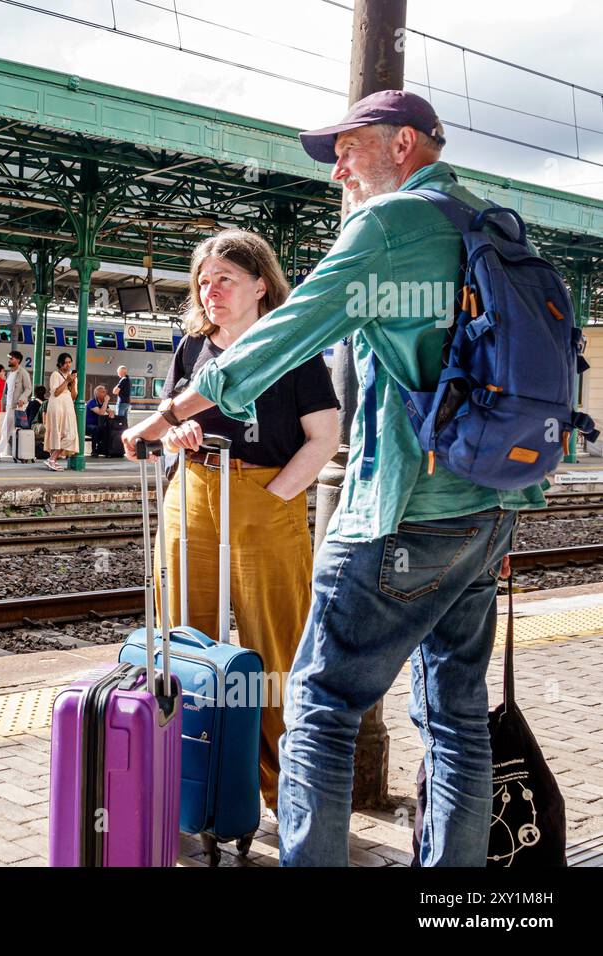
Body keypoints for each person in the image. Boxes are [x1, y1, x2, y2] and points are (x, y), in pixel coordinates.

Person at [124, 90, 533, 867]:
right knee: (454, 715)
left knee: (318, 704)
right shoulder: (488, 218)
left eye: (350, 147)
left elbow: (285, 330)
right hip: (486, 509)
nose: (338, 166)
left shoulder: (390, 224)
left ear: (405, 143)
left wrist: (165, 413)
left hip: (402, 513)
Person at [137, 228, 341, 814]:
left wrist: (274, 496)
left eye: (225, 278)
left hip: (262, 494)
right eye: (203, 281)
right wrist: (175, 435)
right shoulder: (190, 349)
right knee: (183, 645)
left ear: (260, 284)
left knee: (274, 650)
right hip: (192, 493)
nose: (211, 291)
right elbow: (171, 422)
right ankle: (189, 787)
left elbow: (323, 437)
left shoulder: (293, 349)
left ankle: (284, 795)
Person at [0, 350, 31, 461]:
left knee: (9, 430)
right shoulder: (10, 374)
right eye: (9, 358)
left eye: (11, 358)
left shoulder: (23, 373)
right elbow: (8, 391)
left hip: (17, 407)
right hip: (9, 406)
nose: (9, 360)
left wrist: (22, 399)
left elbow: (28, 389)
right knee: (6, 430)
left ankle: (0, 453)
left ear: (18, 360)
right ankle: (0, 453)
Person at [44, 352, 79, 471]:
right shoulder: (55, 374)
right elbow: (56, 392)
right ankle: (52, 459)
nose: (68, 365)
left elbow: (74, 396)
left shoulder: (72, 377)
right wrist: (67, 381)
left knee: (70, 434)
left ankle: (52, 459)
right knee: (58, 432)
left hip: (68, 406)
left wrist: (73, 383)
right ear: (60, 364)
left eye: (70, 362)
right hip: (57, 406)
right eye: (66, 363)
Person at [84, 384, 118, 457]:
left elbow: (110, 412)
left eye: (105, 392)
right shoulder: (92, 402)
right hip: (87, 427)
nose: (105, 394)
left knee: (106, 429)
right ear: (97, 394)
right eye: (103, 392)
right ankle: (94, 451)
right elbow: (101, 412)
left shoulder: (103, 403)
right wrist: (106, 401)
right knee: (96, 429)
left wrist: (111, 413)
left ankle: (106, 450)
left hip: (98, 426)